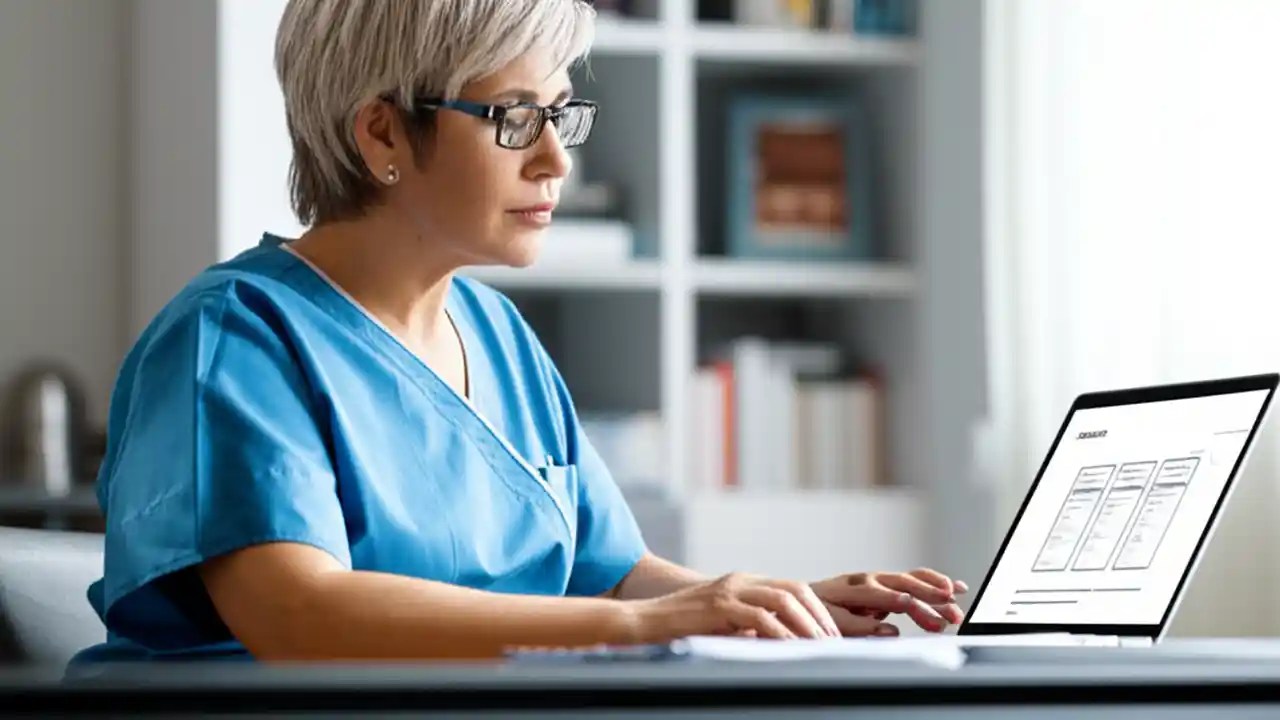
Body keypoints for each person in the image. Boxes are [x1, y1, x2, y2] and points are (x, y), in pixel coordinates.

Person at [71, 0, 966, 663]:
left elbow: (610, 570)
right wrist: (644, 627)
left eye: (562, 115)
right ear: (382, 132)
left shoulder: (496, 333)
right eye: (514, 119)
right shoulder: (235, 339)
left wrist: (781, 606)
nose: (557, 159)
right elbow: (298, 614)